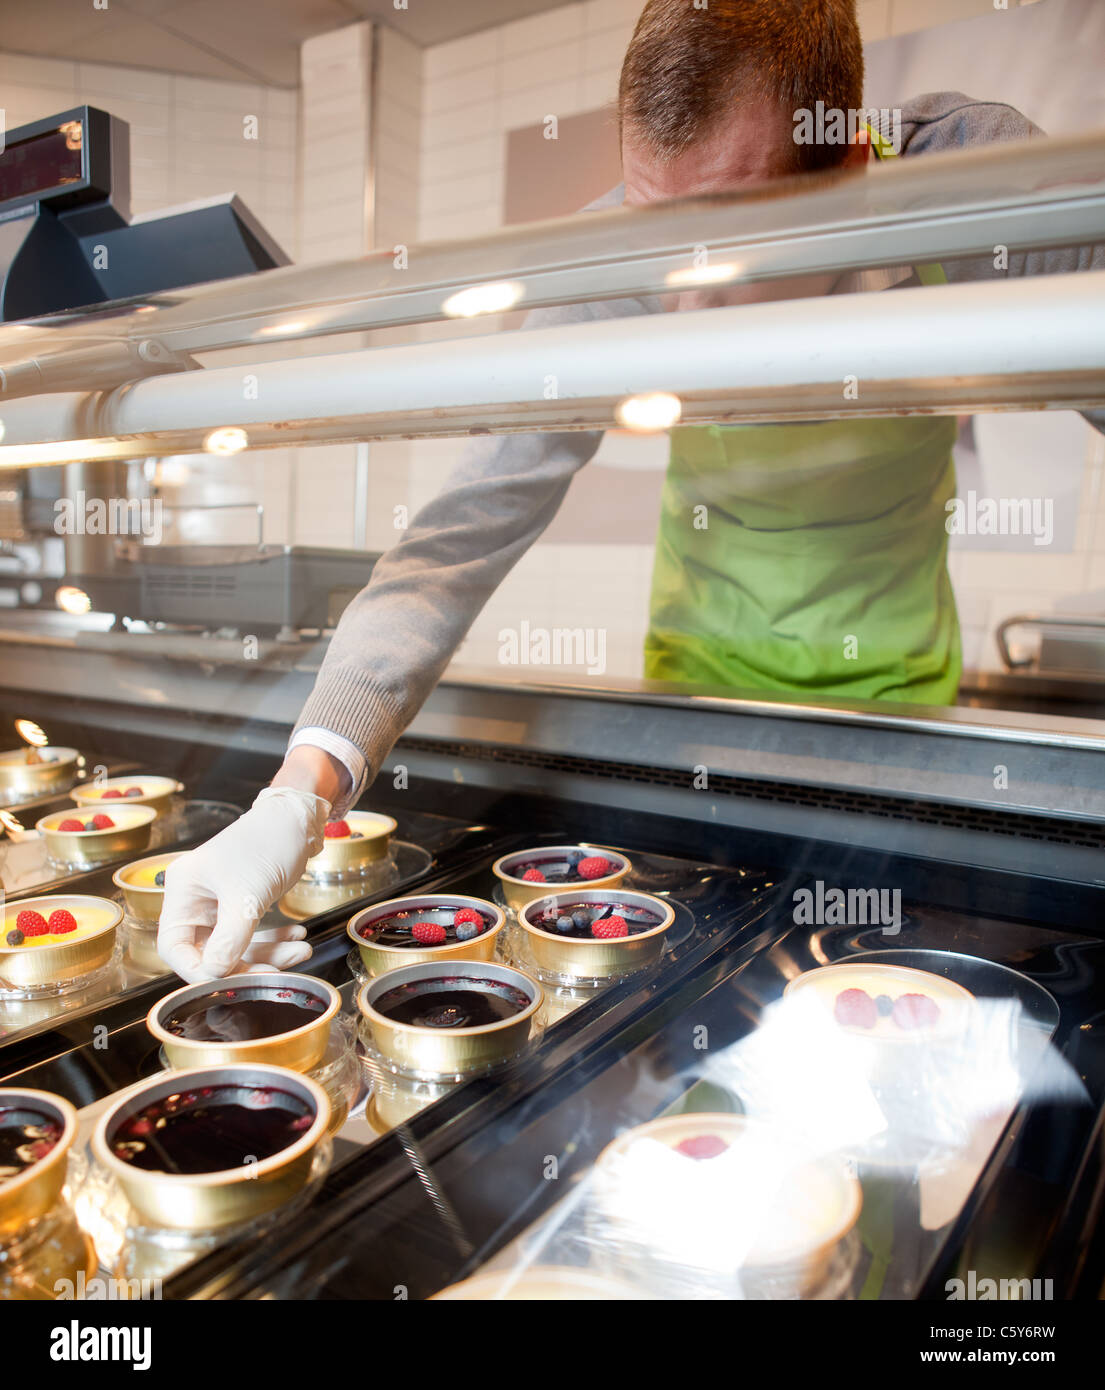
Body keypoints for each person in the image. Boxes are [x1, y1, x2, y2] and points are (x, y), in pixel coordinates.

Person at [158, 0, 1105, 982]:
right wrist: (293, 801)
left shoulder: (978, 187)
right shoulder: (602, 262)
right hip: (691, 712)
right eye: (661, 241)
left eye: (730, 247)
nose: (685, 302)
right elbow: (454, 540)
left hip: (895, 726)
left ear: (848, 172)